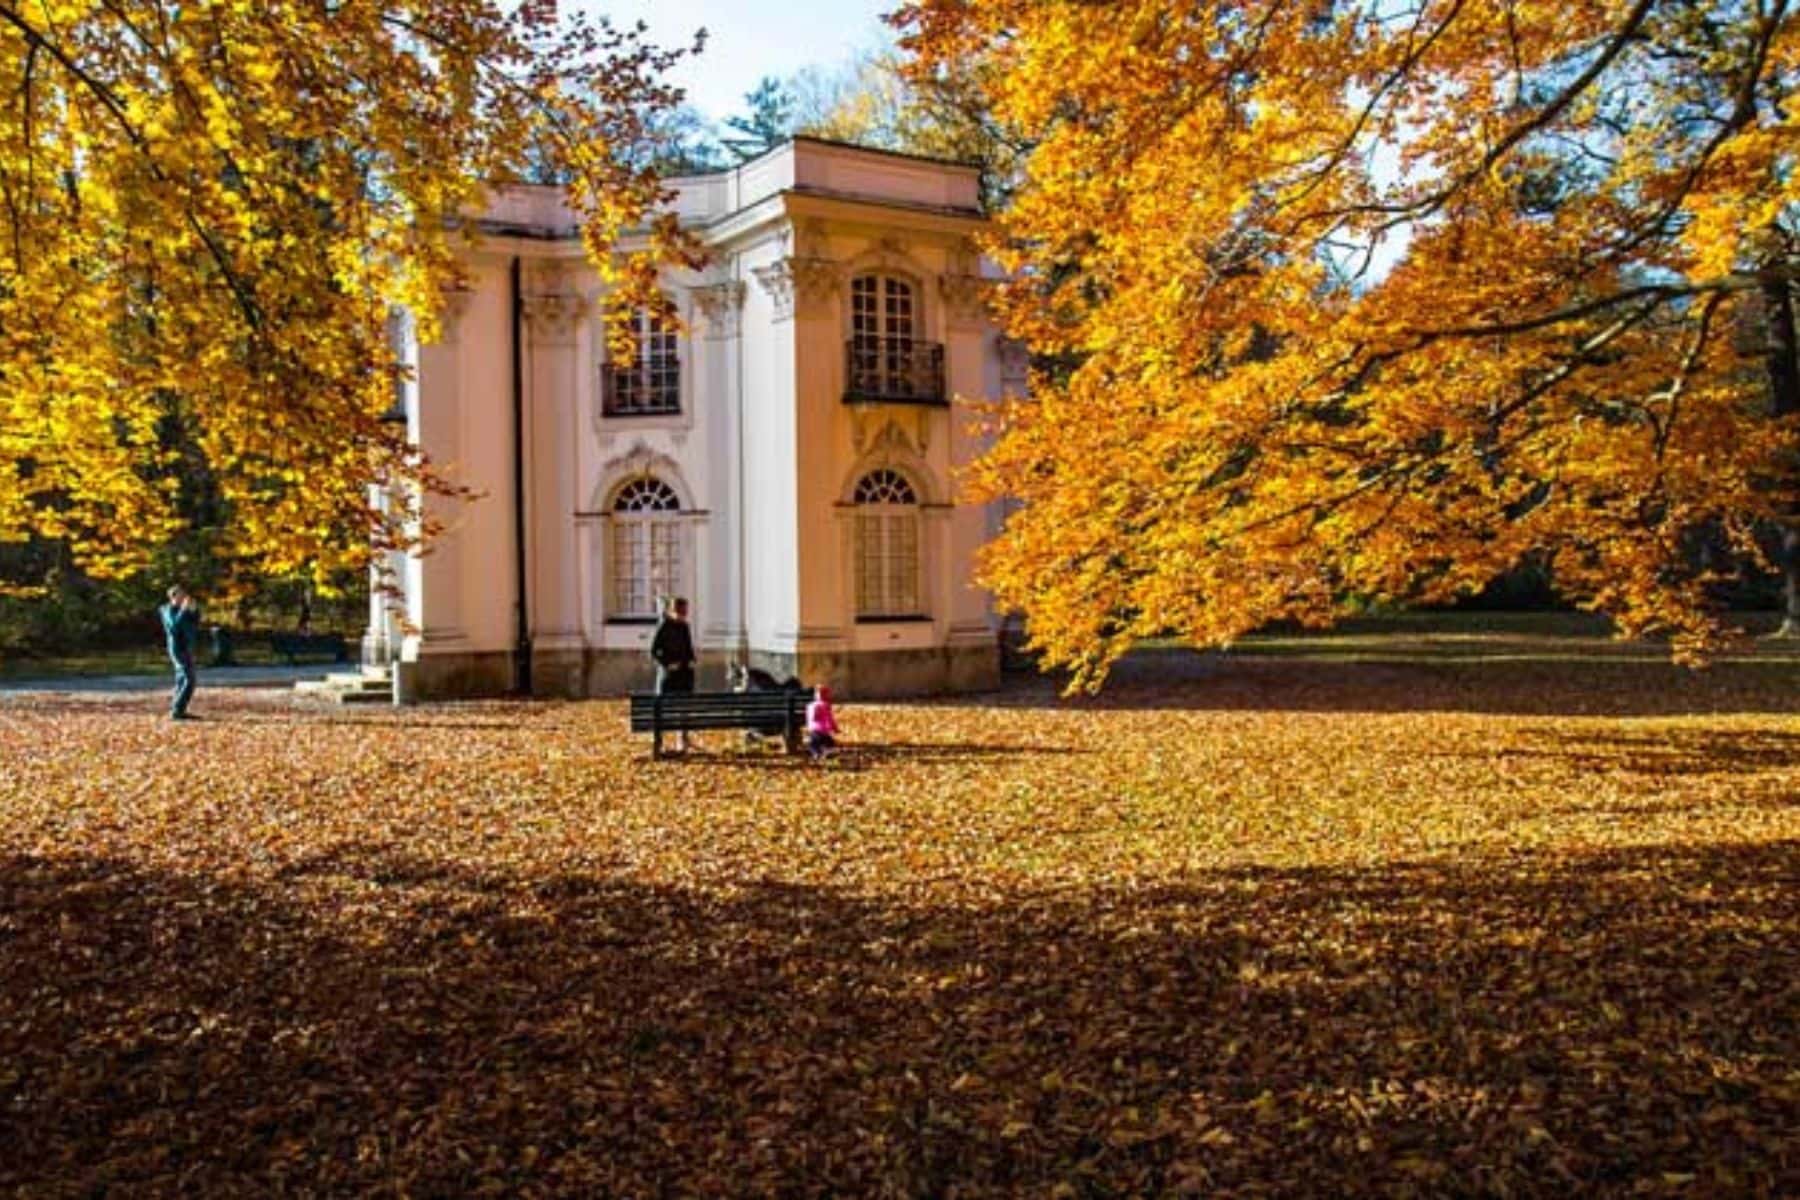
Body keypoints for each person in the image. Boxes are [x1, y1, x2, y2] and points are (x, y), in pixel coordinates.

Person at [649, 595, 697, 751]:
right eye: (680, 612)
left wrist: (692, 660)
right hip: (668, 676)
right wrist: (668, 664)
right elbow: (654, 651)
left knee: (684, 708)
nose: (683, 615)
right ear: (672, 610)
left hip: (684, 674)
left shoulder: (684, 627)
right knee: (662, 708)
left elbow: (689, 649)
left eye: (685, 612)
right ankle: (659, 741)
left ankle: (682, 739)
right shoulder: (664, 626)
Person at [158, 585, 201, 720]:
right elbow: (174, 627)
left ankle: (178, 710)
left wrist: (194, 611)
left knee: (181, 679)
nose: (183, 598)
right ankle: (177, 710)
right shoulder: (167, 610)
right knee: (189, 680)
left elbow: (194, 624)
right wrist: (183, 610)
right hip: (177, 647)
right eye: (181, 596)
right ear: (173, 597)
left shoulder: (182, 609)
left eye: (184, 595)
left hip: (186, 646)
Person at [806, 684, 840, 761]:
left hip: (814, 730)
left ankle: (817, 753)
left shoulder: (811, 706)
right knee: (829, 743)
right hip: (823, 730)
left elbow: (810, 718)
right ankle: (827, 752)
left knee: (813, 744)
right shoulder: (826, 705)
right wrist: (834, 728)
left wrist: (809, 727)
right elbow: (830, 718)